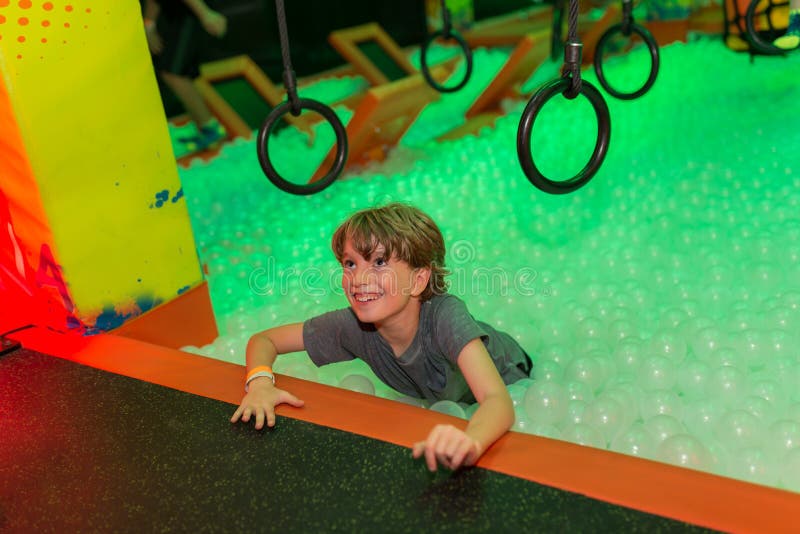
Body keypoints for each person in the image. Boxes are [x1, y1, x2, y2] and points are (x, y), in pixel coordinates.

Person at [230, 203, 533, 472]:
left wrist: (471, 440)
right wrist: (259, 384)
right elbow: (264, 340)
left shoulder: (445, 316)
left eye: (378, 262)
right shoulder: (353, 326)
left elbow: (498, 401)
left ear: (418, 279)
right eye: (350, 264)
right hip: (449, 399)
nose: (359, 279)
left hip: (513, 377)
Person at [142, 0, 228, 152]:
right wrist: (149, 25)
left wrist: (205, 13)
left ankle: (210, 128)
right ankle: (205, 128)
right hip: (179, 15)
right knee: (173, 72)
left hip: (192, 14)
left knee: (174, 73)